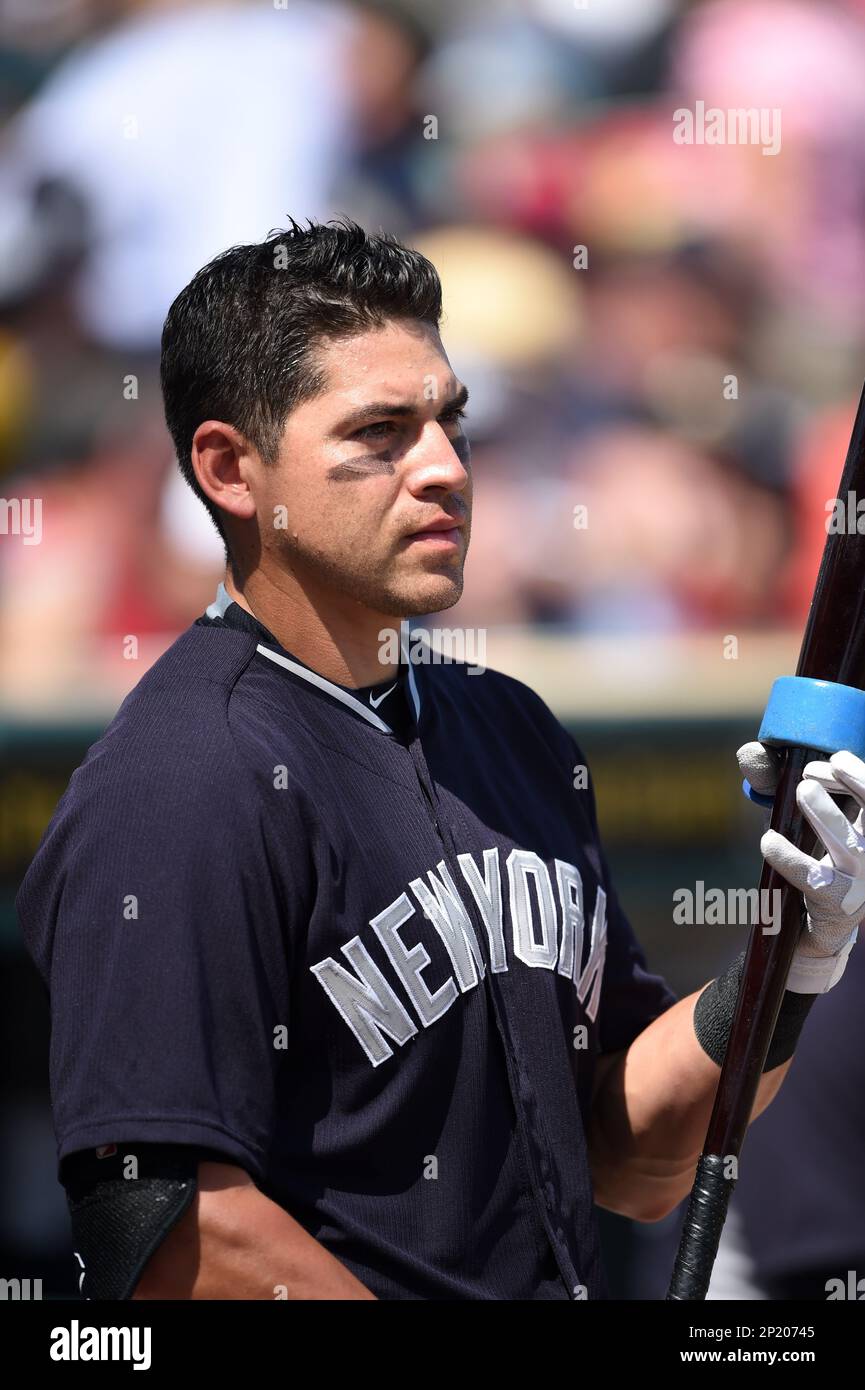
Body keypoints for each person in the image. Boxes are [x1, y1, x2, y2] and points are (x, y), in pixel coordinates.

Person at [15, 219, 862, 1301]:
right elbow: (167, 1226)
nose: (444, 469)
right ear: (230, 468)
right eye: (380, 433)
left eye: (450, 423)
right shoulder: (177, 778)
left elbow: (626, 1158)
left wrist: (783, 967)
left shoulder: (510, 728)